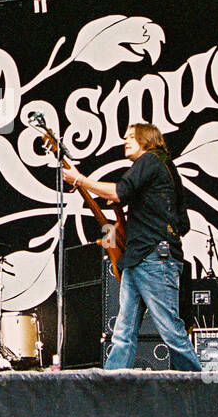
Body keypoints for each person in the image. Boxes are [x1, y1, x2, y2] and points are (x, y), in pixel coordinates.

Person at [63, 123, 200, 371]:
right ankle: (112, 383)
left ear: (147, 139)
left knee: (169, 329)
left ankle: (196, 387)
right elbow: (183, 223)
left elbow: (119, 192)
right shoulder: (164, 168)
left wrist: (80, 180)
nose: (125, 141)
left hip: (153, 258)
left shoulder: (149, 161)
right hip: (142, 257)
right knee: (123, 331)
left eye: (131, 137)